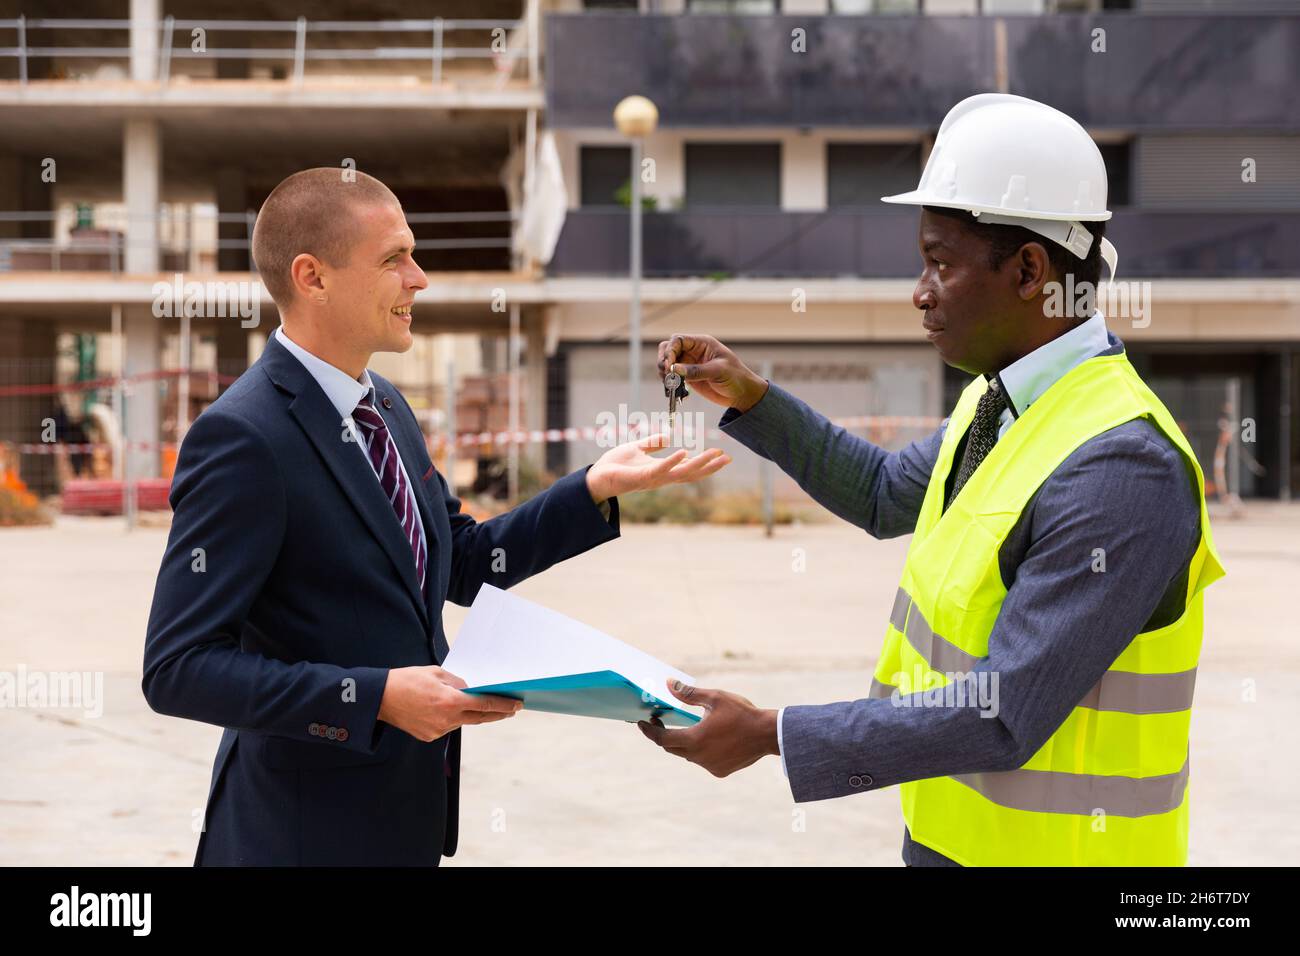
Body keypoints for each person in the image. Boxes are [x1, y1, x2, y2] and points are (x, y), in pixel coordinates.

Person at [638, 94, 1225, 866]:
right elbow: (886, 493)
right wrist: (753, 398)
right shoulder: (1002, 396)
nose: (919, 290)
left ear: (1028, 271)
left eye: (939, 262)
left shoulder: (1122, 466)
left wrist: (770, 733)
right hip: (951, 840)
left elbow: (1005, 712)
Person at [142, 167, 729, 866]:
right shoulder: (244, 436)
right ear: (312, 277)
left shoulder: (384, 405)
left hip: (402, 819)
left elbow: (461, 557)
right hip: (297, 834)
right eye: (394, 258)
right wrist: (375, 697)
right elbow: (178, 667)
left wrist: (592, 488)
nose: (419, 279)